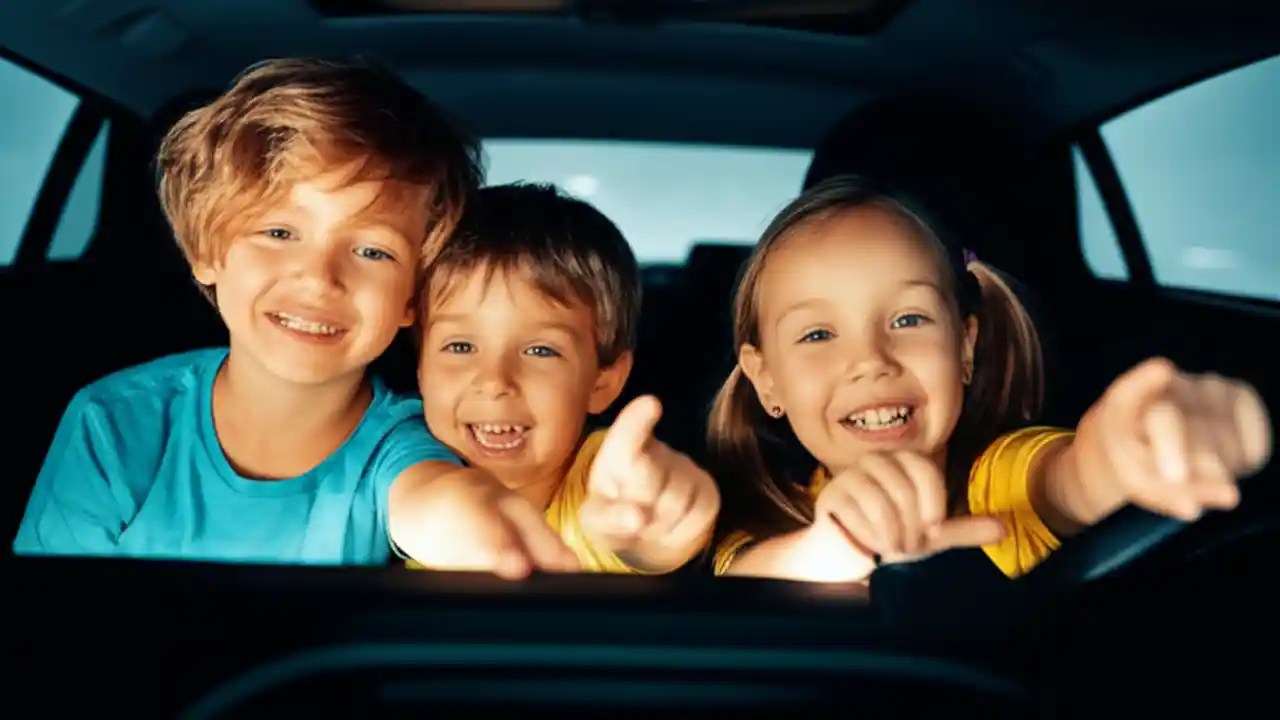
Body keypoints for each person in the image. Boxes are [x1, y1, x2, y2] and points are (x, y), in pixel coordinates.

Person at [13, 58, 577, 579]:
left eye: (373, 251)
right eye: (279, 233)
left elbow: (433, 498)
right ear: (206, 252)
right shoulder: (114, 425)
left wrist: (480, 524)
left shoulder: (402, 441)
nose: (318, 278)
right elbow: (53, 621)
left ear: (412, 298)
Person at [709, 175, 1271, 581]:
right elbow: (737, 576)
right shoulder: (768, 517)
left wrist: (1131, 445)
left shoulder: (1002, 483)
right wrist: (832, 549)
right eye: (817, 335)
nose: (872, 360)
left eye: (909, 319)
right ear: (767, 382)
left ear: (966, 349)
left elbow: (1069, 479)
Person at [413, 183, 720, 573]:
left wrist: (659, 524)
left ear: (602, 382)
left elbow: (636, 528)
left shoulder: (599, 479)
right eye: (459, 346)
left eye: (541, 350)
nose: (494, 380)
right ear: (420, 368)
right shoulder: (399, 473)